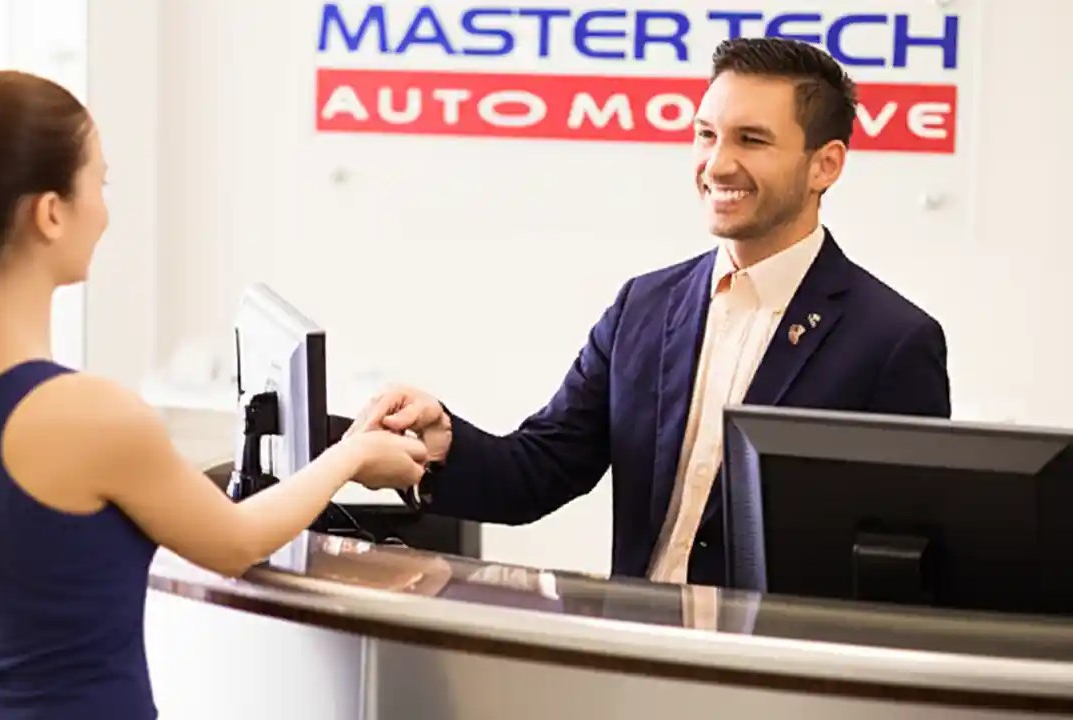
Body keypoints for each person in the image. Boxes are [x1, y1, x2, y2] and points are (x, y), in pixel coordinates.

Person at [0, 70, 426, 720]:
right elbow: (236, 542)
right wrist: (351, 457)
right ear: (50, 212)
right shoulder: (90, 418)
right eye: (98, 182)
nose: (104, 208)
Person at [353, 38, 951, 588]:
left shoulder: (893, 342)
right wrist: (440, 442)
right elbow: (536, 472)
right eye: (706, 134)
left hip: (779, 683)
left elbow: (899, 570)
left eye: (752, 139)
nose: (717, 165)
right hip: (638, 659)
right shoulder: (644, 306)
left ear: (826, 164)